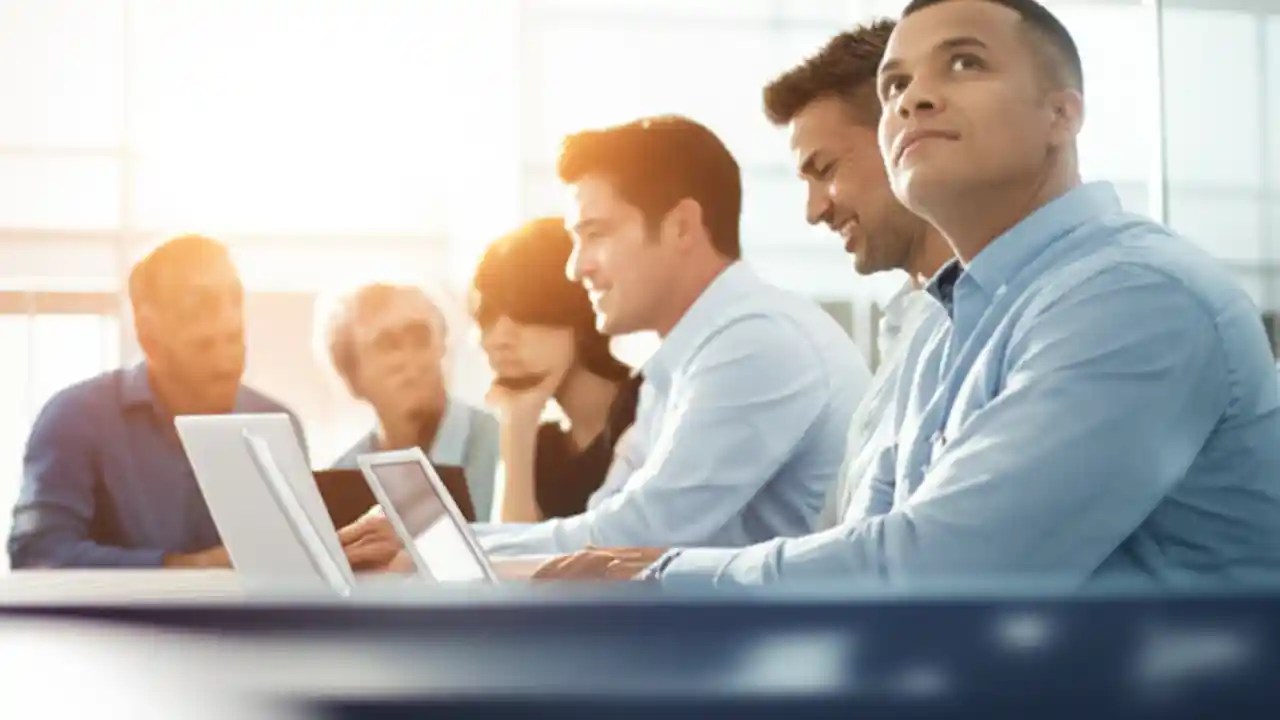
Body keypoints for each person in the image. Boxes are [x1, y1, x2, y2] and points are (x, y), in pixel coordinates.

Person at [542, 0, 1280, 587]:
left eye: (964, 63)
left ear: (1062, 114)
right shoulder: (948, 321)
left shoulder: (1134, 297)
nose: (913, 98)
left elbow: (942, 570)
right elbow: (867, 546)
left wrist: (664, 574)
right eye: (894, 85)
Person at [339, 116, 868, 568]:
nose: (576, 267)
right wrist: (431, 541)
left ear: (682, 227)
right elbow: (603, 525)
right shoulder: (676, 367)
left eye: (596, 234)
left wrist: (434, 544)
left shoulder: (756, 344)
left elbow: (630, 538)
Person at [756, 19, 955, 531]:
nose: (814, 211)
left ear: (901, 138)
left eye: (825, 170)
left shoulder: (991, 321)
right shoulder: (909, 324)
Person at [7, 235, 298, 569]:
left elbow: (295, 559)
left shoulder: (277, 424)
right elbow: (37, 553)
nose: (226, 361)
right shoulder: (74, 418)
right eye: (204, 344)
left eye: (234, 339)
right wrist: (186, 568)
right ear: (148, 336)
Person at [473, 218, 641, 523]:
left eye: (521, 313)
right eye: (487, 318)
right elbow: (513, 547)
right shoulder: (545, 446)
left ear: (574, 310)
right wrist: (516, 425)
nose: (498, 339)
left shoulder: (650, 408)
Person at [321, 283, 500, 520]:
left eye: (420, 337)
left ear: (443, 346)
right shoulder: (341, 481)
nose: (408, 357)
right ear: (351, 375)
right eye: (386, 344)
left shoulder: (503, 445)